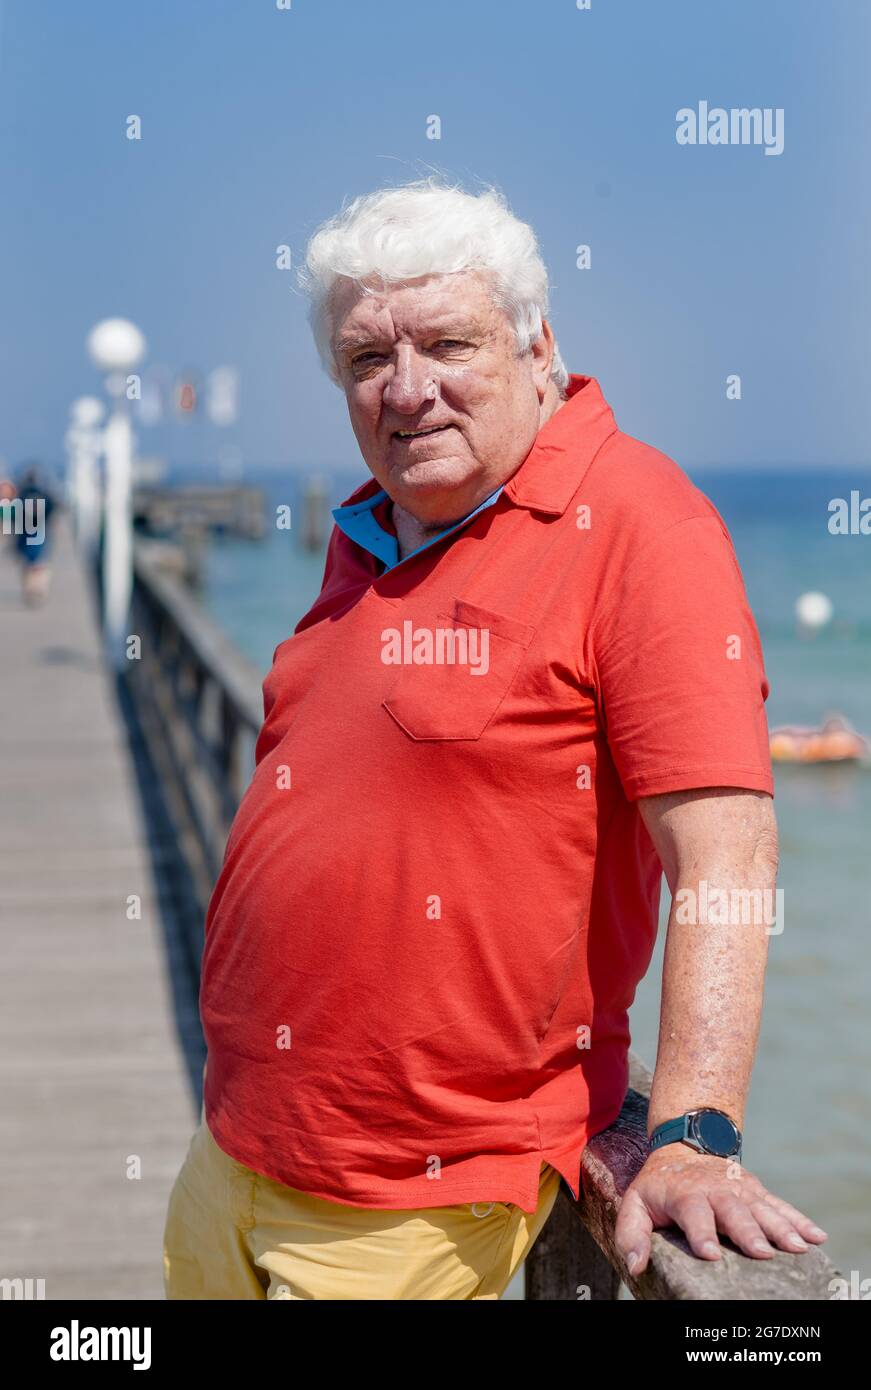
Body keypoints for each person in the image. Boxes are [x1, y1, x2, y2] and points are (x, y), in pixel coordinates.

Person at [163, 179, 827, 1300]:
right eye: (369, 360)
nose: (407, 390)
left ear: (537, 344)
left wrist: (695, 1128)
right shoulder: (375, 526)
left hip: (413, 1198)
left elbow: (724, 856)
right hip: (230, 1145)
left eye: (447, 343)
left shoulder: (637, 521)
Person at [12, 466, 56, 604]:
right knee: (38, 561)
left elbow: (13, 513)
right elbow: (51, 508)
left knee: (29, 562)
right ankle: (37, 587)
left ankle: (32, 588)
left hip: (27, 531)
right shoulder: (42, 493)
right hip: (38, 531)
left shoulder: (22, 494)